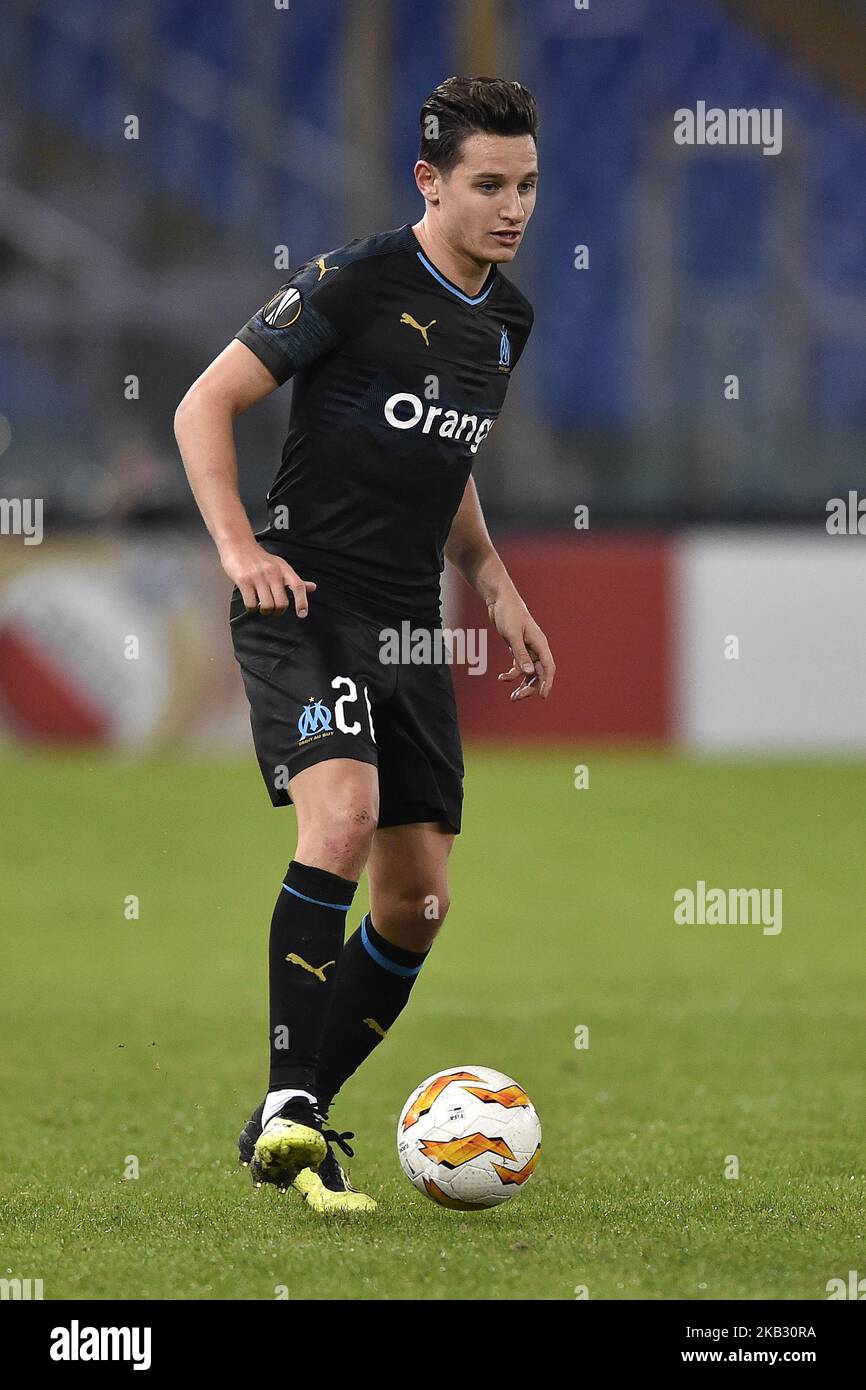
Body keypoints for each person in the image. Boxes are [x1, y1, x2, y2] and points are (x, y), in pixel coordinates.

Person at [174, 75, 555, 1214]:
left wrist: (488, 574)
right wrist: (241, 547)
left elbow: (443, 461)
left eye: (528, 185)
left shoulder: (507, 319)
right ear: (429, 181)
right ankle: (296, 1110)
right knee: (337, 817)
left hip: (406, 620)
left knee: (415, 900)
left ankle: (286, 1111)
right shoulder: (354, 281)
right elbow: (203, 404)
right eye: (487, 184)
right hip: (304, 597)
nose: (512, 207)